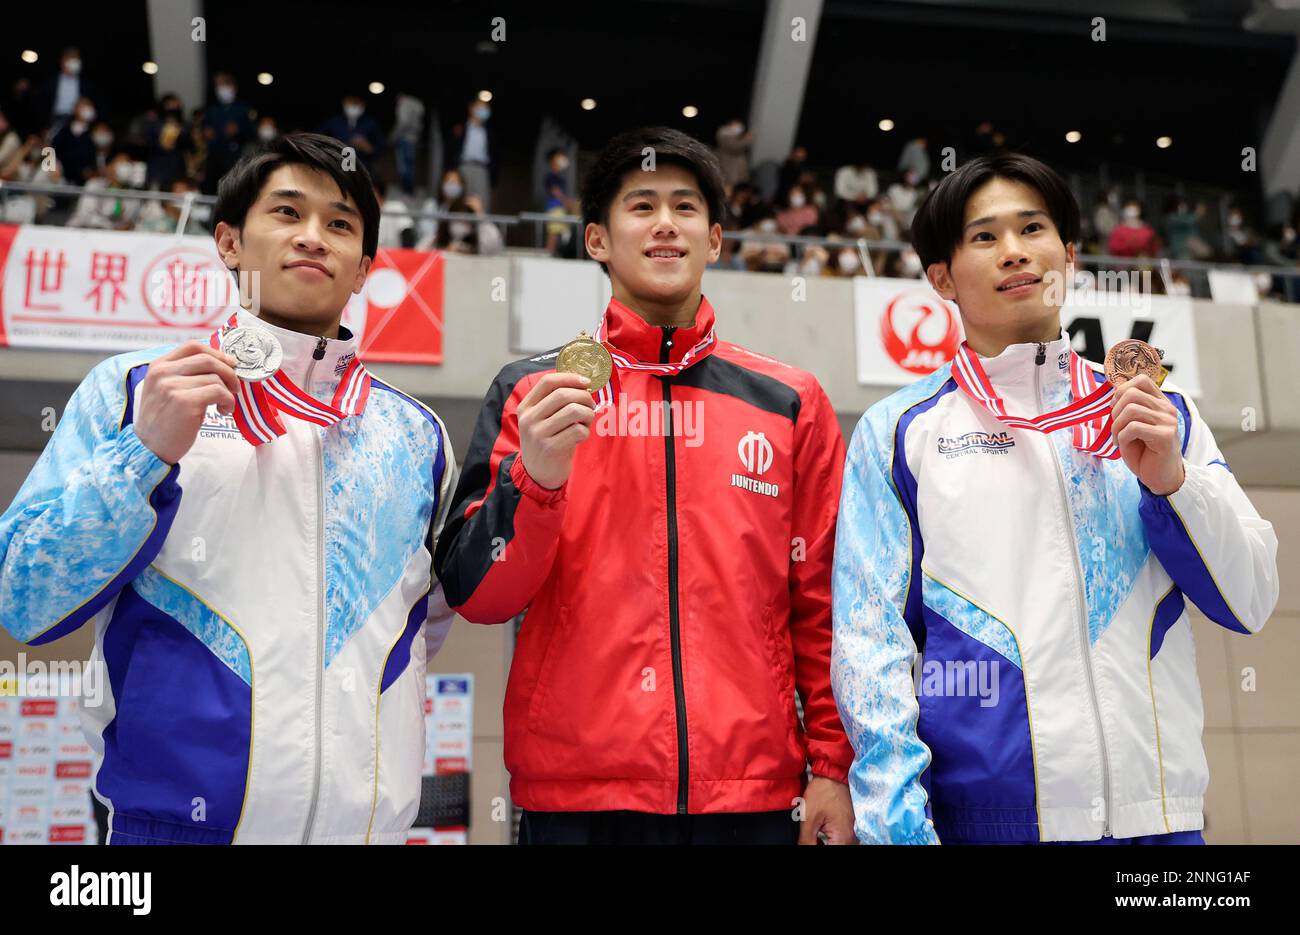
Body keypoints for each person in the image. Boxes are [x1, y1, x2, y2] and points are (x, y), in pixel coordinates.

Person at [0, 133, 458, 845]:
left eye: (340, 223)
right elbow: (23, 598)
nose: (313, 237)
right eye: (286, 212)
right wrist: (141, 454)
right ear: (229, 242)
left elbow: (419, 630)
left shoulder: (416, 436)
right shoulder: (133, 391)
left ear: (366, 267)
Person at [832, 152, 1279, 845]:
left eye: (1033, 229)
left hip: (1160, 824)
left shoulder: (1161, 412)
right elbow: (871, 648)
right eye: (984, 237)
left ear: (1069, 254)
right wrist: (897, 832)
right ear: (941, 277)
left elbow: (1249, 598)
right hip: (988, 826)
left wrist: (1174, 484)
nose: (1015, 253)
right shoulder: (901, 433)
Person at [435, 126, 856, 845]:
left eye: (686, 208)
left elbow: (823, 602)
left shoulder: (789, 402)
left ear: (716, 239)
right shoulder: (536, 391)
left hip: (752, 795)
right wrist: (533, 481)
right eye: (642, 206)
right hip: (577, 797)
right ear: (596, 239)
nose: (666, 223)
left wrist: (833, 766)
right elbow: (477, 597)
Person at [318, 93, 384, 176]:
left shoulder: (370, 123)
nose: (353, 106)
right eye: (351, 102)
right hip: (336, 167)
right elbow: (318, 139)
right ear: (343, 103)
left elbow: (381, 145)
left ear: (363, 104)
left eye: (357, 103)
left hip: (363, 167)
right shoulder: (333, 121)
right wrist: (333, 147)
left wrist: (369, 148)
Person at [451, 99, 497, 212]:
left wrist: (494, 175)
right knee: (460, 200)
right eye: (480, 107)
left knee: (482, 202)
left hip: (481, 169)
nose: (483, 110)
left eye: (486, 108)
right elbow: (451, 150)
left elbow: (495, 155)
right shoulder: (461, 128)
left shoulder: (490, 132)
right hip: (462, 167)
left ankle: (481, 227)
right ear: (471, 108)